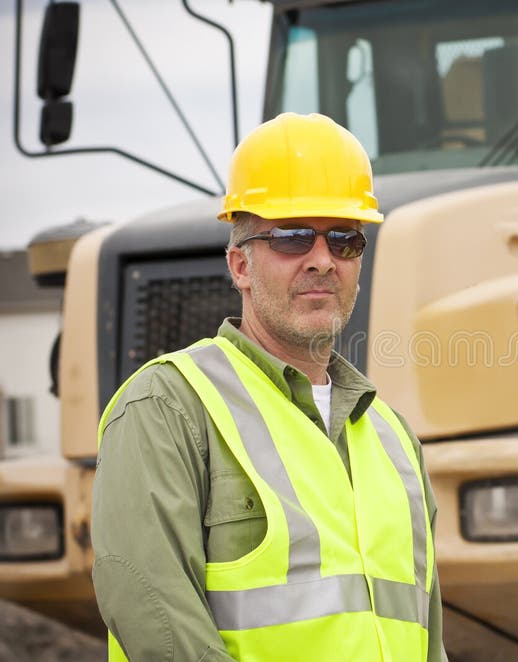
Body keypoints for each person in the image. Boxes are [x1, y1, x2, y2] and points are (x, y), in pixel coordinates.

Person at [92, 113, 447, 661]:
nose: (323, 260)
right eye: (292, 237)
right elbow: (157, 626)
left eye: (346, 240)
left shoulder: (394, 439)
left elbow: (427, 641)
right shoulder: (167, 409)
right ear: (240, 265)